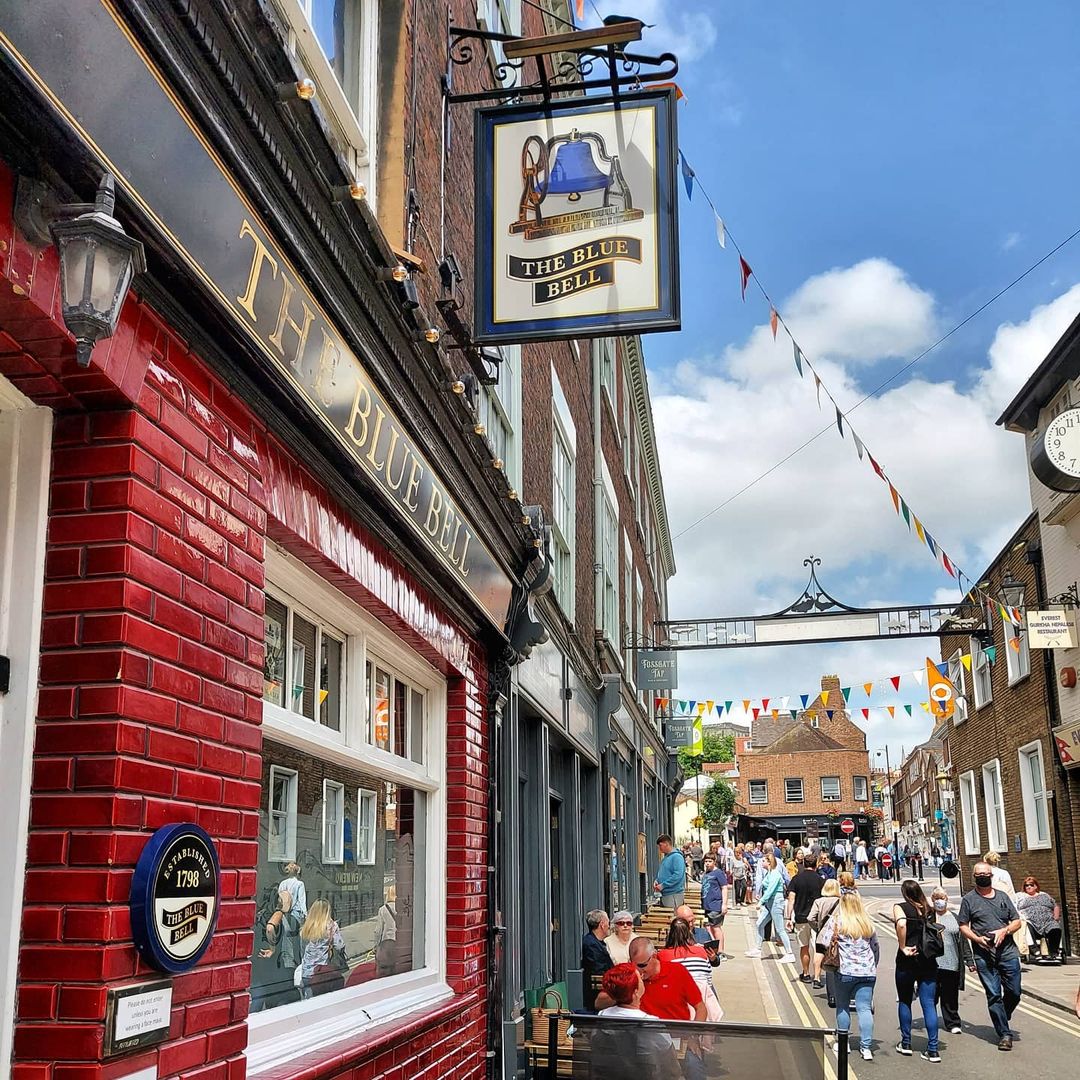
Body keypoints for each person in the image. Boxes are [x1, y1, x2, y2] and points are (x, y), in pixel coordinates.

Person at [958, 861, 1023, 1051]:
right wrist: (977, 940)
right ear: (974, 876)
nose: (983, 876)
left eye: (986, 873)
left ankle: (1003, 1014)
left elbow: (1017, 921)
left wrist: (1005, 931)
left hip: (1008, 952)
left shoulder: (1002, 897)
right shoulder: (969, 900)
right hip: (983, 955)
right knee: (994, 995)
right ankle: (1005, 1034)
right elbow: (963, 925)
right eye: (979, 874)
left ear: (991, 876)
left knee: (1015, 992)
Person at [817, 890, 879, 1061]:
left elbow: (824, 941)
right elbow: (875, 947)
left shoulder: (837, 921)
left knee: (842, 1006)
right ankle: (866, 1048)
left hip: (845, 971)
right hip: (867, 972)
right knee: (864, 1008)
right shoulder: (867, 923)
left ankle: (843, 1043)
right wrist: (874, 964)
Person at [595, 964, 681, 1080]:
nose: (642, 977)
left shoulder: (602, 1016)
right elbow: (671, 1067)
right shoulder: (651, 1024)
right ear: (635, 992)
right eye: (640, 978)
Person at [892, 878, 941, 1061]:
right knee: (928, 1004)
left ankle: (906, 1043)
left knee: (905, 1000)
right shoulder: (929, 909)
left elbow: (902, 924)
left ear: (905, 893)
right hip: (927, 959)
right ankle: (933, 1049)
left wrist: (903, 946)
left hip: (907, 959)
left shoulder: (900, 907)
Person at [661, 917, 723, 1021]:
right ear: (688, 933)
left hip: (676, 1004)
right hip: (702, 1000)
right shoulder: (701, 951)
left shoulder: (663, 955)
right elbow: (708, 979)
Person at [930, 886, 972, 1034]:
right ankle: (931, 1020)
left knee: (950, 996)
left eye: (942, 898)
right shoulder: (929, 917)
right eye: (936, 898)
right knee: (931, 996)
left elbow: (963, 941)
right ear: (932, 900)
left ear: (947, 899)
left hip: (952, 962)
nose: (939, 901)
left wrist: (970, 960)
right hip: (933, 964)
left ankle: (953, 1022)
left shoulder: (955, 918)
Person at [745, 853, 796, 963]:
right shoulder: (769, 873)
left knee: (780, 929)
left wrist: (760, 902)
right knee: (759, 924)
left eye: (763, 861)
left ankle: (789, 953)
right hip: (769, 903)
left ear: (769, 862)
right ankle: (758, 949)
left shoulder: (775, 874)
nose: (761, 862)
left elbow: (771, 890)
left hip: (776, 903)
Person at [785, 851, 824, 983]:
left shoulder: (796, 879)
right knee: (818, 948)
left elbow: (791, 900)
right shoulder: (820, 880)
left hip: (801, 918)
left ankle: (806, 974)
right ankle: (817, 976)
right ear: (816, 865)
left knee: (804, 947)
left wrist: (789, 917)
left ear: (804, 863)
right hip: (816, 919)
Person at [299, 898, 346, 998]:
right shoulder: (331, 926)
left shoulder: (306, 927)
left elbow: (302, 950)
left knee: (308, 1004)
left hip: (306, 973)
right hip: (322, 973)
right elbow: (340, 945)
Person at [808, 878, 841, 1005]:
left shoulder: (818, 901)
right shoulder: (841, 902)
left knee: (828, 965)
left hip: (823, 936)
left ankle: (831, 996)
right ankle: (840, 992)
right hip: (838, 937)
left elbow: (810, 918)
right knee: (838, 964)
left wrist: (818, 928)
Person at [1015, 876, 1063, 963]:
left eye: (1031, 885)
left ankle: (1054, 953)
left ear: (1036, 886)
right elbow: (1015, 907)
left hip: (1048, 921)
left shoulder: (1044, 895)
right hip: (1030, 921)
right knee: (1025, 927)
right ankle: (1035, 951)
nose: (1029, 887)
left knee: (1056, 929)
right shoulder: (1020, 896)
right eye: (1026, 885)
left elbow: (1055, 905)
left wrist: (1056, 917)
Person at [581, 908, 614, 1010]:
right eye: (608, 922)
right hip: (596, 993)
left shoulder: (597, 942)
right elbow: (598, 969)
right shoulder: (591, 944)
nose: (609, 926)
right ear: (602, 924)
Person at [700, 855, 729, 958]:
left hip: (716, 904)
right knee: (709, 927)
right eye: (706, 861)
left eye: (710, 861)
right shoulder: (707, 872)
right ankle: (714, 950)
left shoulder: (718, 873)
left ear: (714, 861)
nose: (707, 863)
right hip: (706, 905)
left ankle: (721, 952)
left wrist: (724, 904)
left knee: (716, 928)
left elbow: (724, 888)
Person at [654, 835, 687, 908]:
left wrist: (663, 885)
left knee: (673, 916)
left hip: (674, 894)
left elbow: (677, 875)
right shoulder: (667, 857)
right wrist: (657, 881)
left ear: (666, 844)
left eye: (660, 845)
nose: (659, 848)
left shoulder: (676, 857)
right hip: (666, 894)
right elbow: (665, 872)